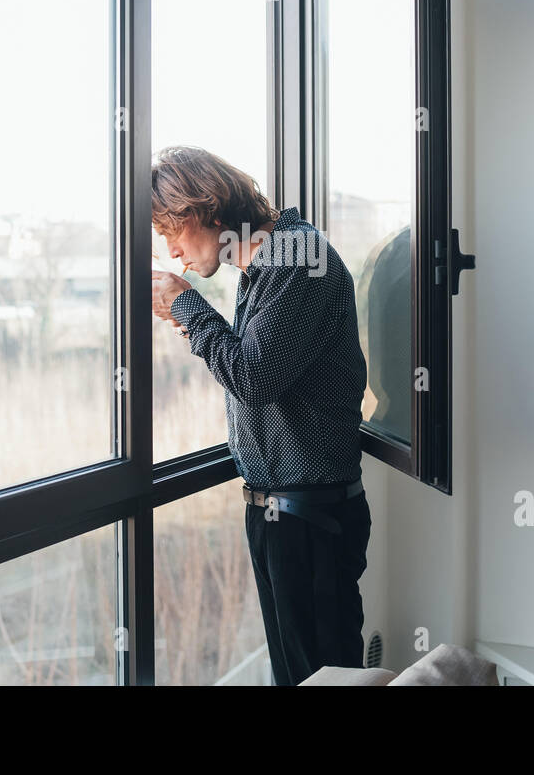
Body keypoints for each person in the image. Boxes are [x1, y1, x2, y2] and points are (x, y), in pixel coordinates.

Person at [149, 145, 371, 686]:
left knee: (321, 678)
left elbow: (253, 380)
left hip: (309, 515)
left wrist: (187, 306)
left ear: (209, 214)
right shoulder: (268, 267)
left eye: (170, 231)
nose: (172, 251)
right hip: (287, 513)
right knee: (302, 676)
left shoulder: (295, 259)